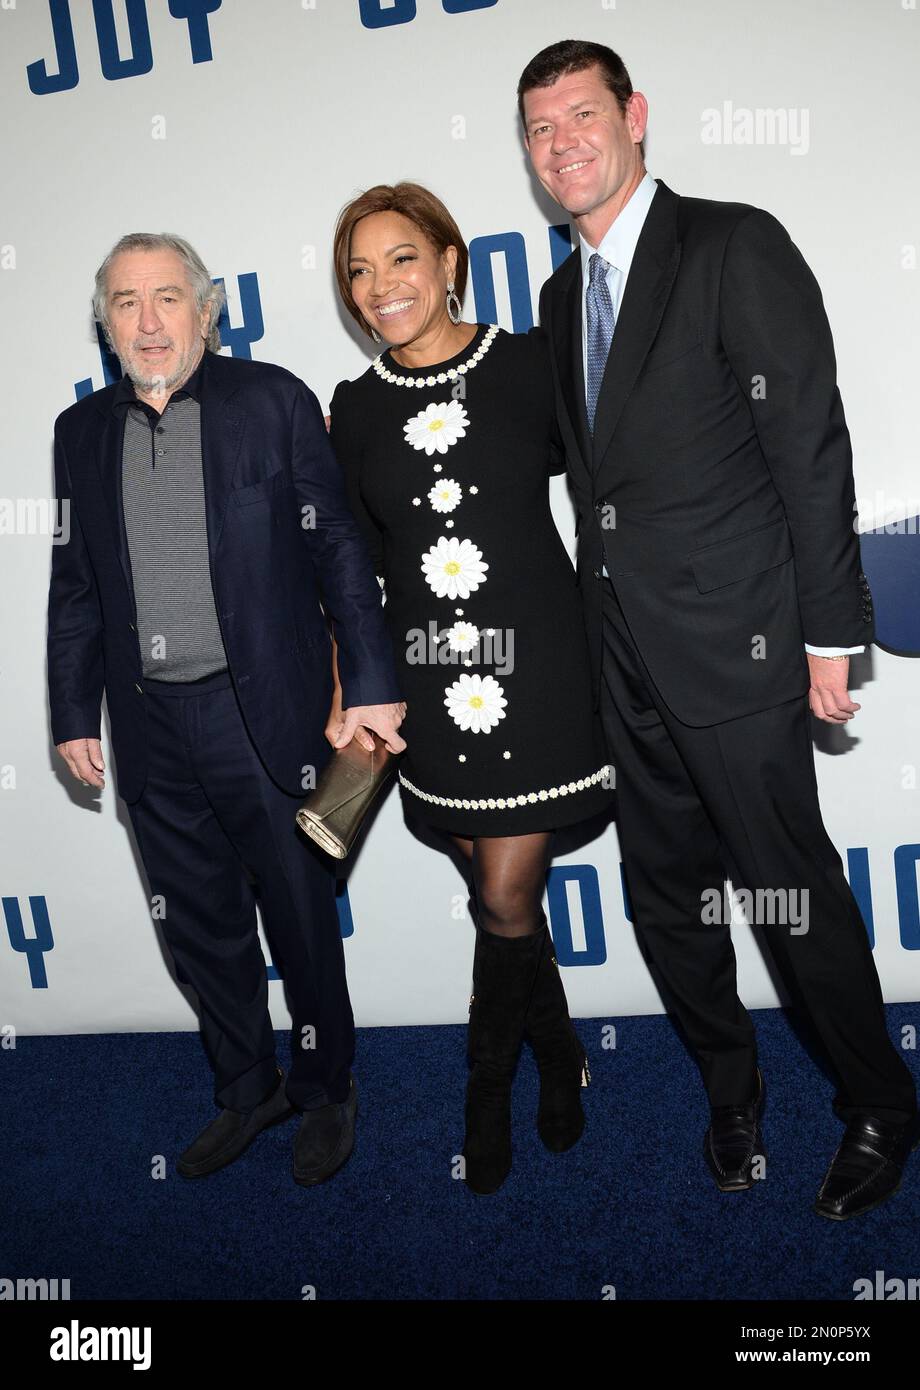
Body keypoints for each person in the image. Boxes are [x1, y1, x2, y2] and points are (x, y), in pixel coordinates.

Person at [519, 38, 918, 1220]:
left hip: (741, 648)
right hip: (620, 657)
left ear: (635, 117)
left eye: (581, 116)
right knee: (667, 900)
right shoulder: (555, 296)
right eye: (539, 131)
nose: (562, 145)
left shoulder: (731, 243)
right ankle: (729, 1089)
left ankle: (880, 1104)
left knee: (787, 895)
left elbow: (807, 442)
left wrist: (827, 632)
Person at [47, 232, 405, 1187]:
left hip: (268, 714)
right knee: (198, 924)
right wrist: (73, 711)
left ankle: (327, 1087)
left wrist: (370, 682)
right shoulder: (78, 434)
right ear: (105, 322)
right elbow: (76, 583)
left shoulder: (272, 401)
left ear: (207, 309)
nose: (150, 321)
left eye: (169, 297)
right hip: (149, 726)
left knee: (299, 911)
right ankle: (247, 1090)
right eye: (126, 303)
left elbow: (337, 550)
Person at [327, 182, 613, 1194]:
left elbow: (605, 486)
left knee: (501, 890)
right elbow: (350, 568)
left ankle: (485, 1090)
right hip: (428, 685)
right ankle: (559, 1045)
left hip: (537, 671)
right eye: (358, 270)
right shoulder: (353, 408)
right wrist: (350, 690)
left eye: (400, 258)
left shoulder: (529, 362)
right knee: (499, 891)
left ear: (448, 260)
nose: (379, 286)